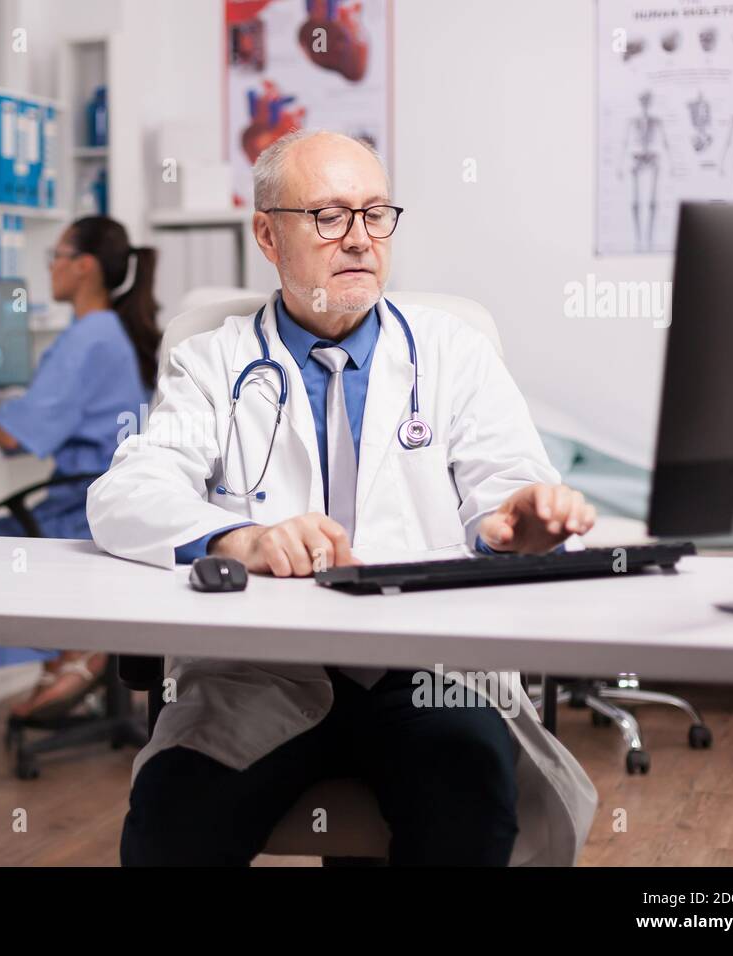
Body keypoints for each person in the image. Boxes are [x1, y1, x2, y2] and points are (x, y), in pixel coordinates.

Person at [86, 130, 600, 866]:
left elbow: (507, 487)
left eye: (375, 214)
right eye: (329, 217)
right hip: (260, 673)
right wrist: (241, 539)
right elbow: (126, 493)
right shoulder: (213, 361)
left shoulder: (453, 352)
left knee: (471, 798)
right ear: (268, 233)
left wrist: (514, 522)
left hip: (427, 669)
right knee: (173, 820)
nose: (360, 239)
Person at [0, 216, 158, 719]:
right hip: (103, 501)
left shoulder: (90, 337)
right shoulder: (108, 332)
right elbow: (36, 422)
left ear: (84, 266)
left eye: (55, 256)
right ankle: (69, 650)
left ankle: (75, 647)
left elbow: (18, 431)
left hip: (82, 510)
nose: (50, 268)